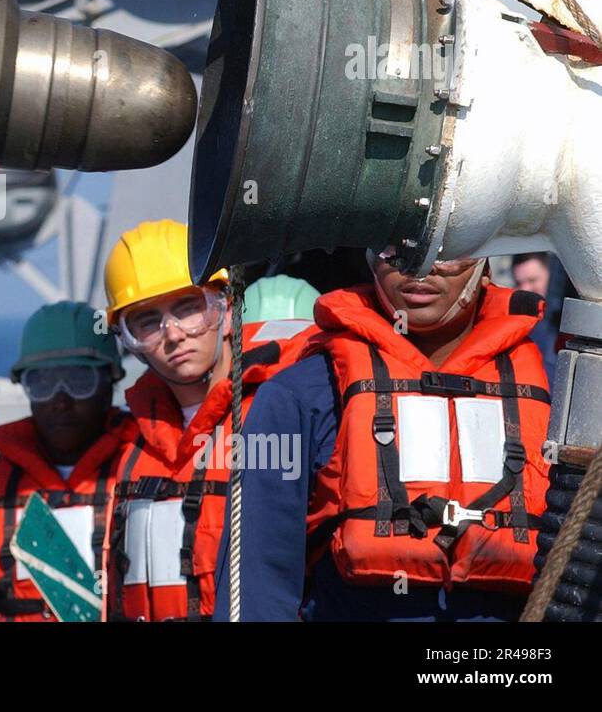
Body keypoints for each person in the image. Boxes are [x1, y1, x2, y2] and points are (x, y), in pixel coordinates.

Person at [216, 248, 552, 621]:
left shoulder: (556, 391)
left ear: (485, 265)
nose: (422, 267)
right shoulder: (296, 396)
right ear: (368, 258)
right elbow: (259, 578)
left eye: (452, 251)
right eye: (397, 250)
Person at [102, 220, 314, 621]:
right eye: (147, 321)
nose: (174, 334)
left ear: (227, 305)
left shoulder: (281, 417)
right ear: (127, 341)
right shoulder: (128, 444)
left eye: (189, 308)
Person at [0, 300, 128, 621]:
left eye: (79, 380)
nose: (61, 401)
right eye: (42, 383)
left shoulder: (144, 476)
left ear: (110, 383)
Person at [511, 252, 559, 380]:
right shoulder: (516, 326)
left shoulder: (563, 321)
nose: (525, 289)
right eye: (519, 283)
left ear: (551, 274)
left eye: (532, 280)